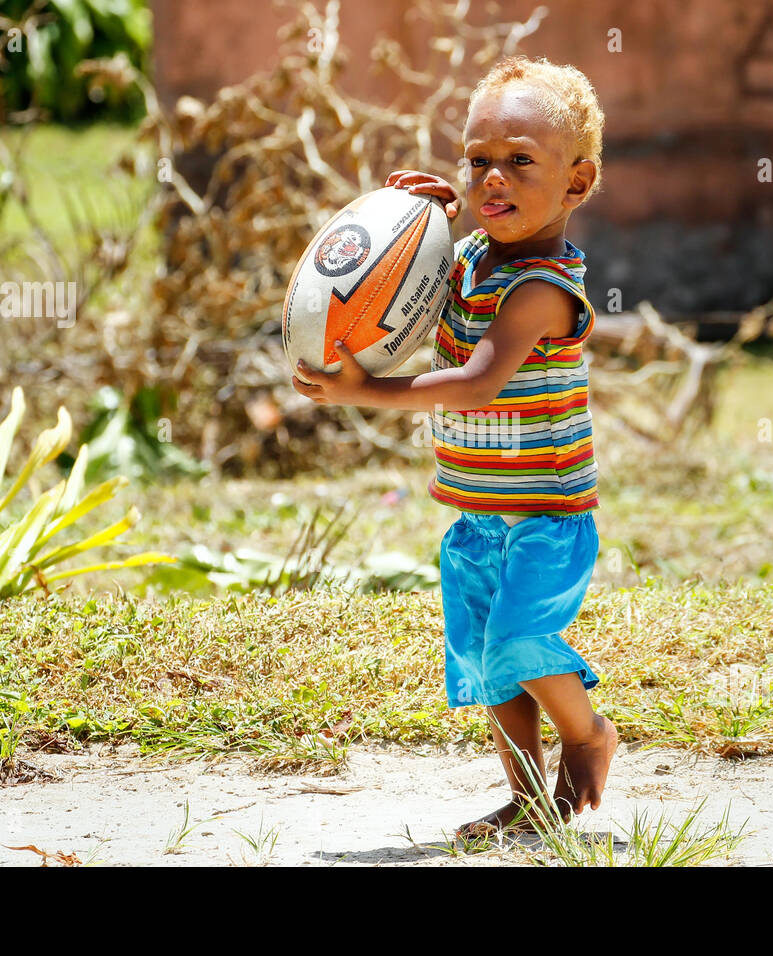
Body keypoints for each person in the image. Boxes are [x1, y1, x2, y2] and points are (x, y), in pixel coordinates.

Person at [292, 55, 616, 838]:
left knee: (518, 641)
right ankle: (526, 798)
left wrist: (360, 393)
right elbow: (394, 295)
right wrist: (410, 221)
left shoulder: (543, 287)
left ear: (577, 182)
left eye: (519, 162)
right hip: (474, 516)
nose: (492, 179)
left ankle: (588, 732)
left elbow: (476, 382)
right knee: (485, 662)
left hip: (547, 517)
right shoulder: (466, 261)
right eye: (477, 161)